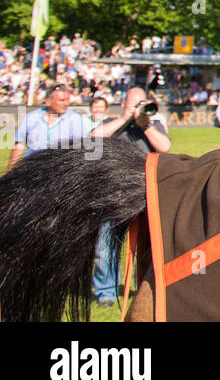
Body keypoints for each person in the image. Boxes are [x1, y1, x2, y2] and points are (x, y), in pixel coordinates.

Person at [89, 87, 171, 305]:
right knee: (105, 246)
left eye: (143, 102)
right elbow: (93, 138)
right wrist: (125, 118)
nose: (140, 107)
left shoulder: (153, 124)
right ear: (125, 104)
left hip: (146, 192)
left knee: (149, 246)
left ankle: (144, 289)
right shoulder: (112, 123)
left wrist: (145, 126)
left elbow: (165, 146)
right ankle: (106, 293)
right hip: (113, 193)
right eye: (136, 103)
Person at [6, 84, 92, 170]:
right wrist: (10, 172)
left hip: (60, 170)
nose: (66, 103)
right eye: (61, 100)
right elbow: (19, 145)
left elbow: (81, 147)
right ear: (48, 101)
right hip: (31, 169)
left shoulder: (75, 119)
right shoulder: (30, 118)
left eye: (67, 100)